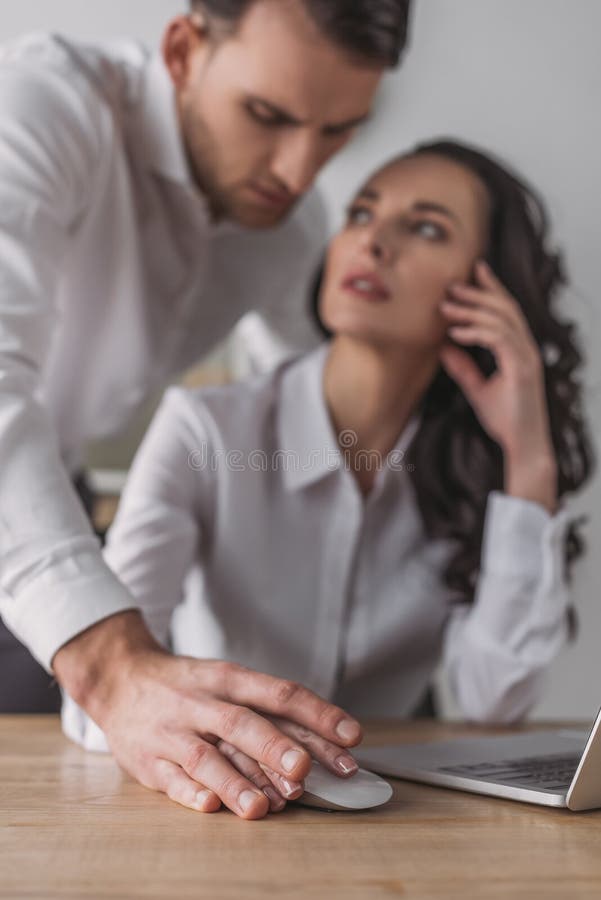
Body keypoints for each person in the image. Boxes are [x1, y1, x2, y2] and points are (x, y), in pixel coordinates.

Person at [63, 138, 594, 817]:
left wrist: (530, 457)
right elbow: (102, 700)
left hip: (398, 821)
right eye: (361, 214)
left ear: (490, 289)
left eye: (427, 228)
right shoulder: (204, 431)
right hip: (217, 806)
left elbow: (495, 702)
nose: (373, 242)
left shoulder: (469, 464)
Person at [0, 0, 413, 794]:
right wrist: (115, 666)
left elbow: (318, 415)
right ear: (183, 51)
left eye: (337, 131)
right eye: (267, 115)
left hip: (48, 493)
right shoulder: (40, 107)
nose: (298, 172)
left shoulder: (291, 229)